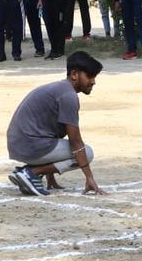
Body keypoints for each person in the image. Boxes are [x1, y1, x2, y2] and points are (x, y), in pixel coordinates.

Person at [6, 51, 105, 197]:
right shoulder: (68, 96)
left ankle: (28, 174)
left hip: (21, 142)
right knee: (87, 153)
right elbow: (75, 141)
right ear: (74, 74)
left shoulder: (61, 89)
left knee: (76, 150)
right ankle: (31, 173)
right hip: (29, 144)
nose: (93, 81)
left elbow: (51, 132)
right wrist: (89, 178)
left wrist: (50, 178)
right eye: (89, 76)